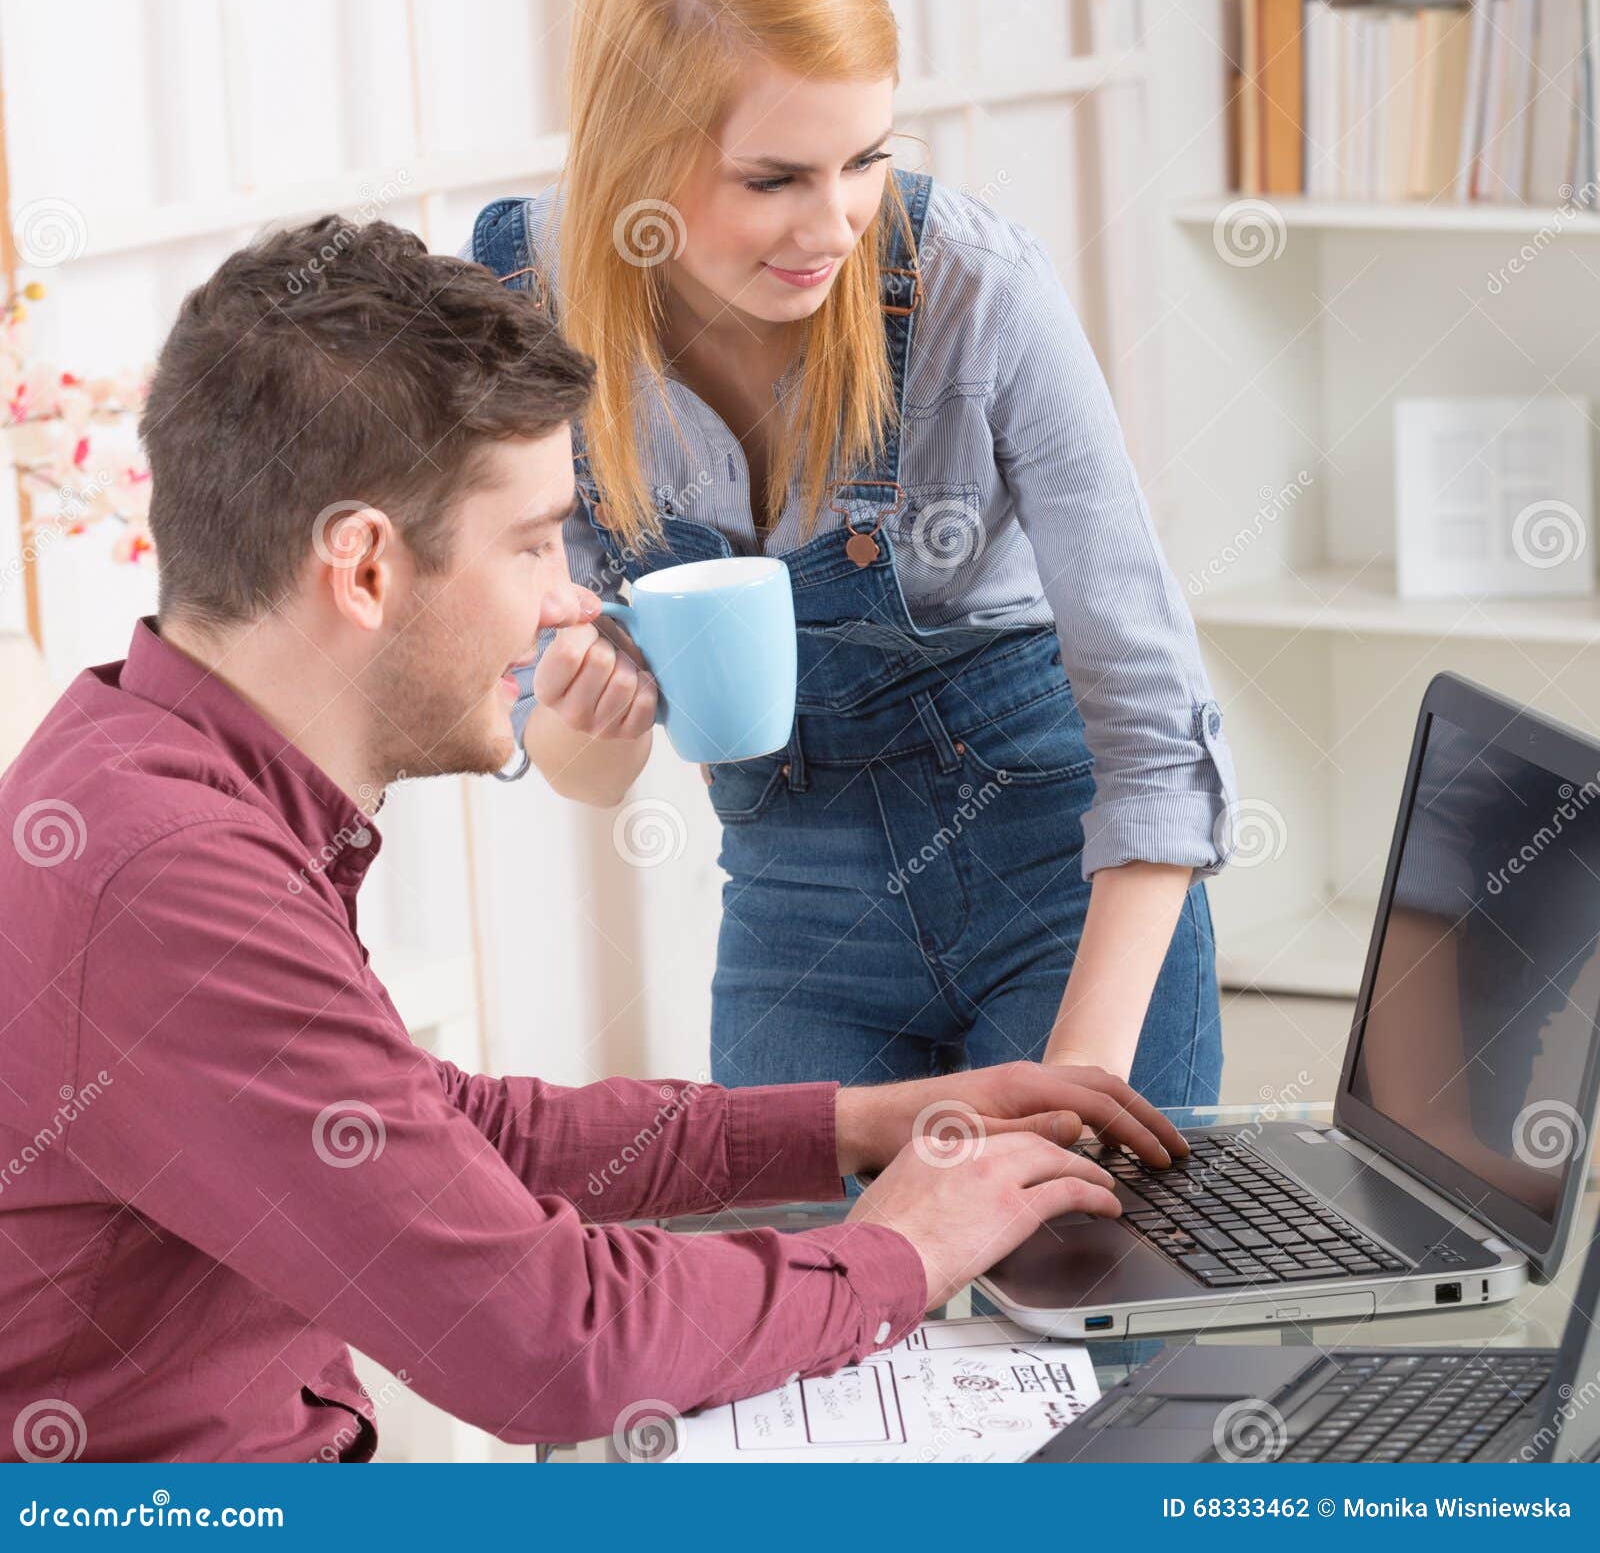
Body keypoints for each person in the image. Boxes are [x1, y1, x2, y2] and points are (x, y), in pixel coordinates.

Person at [0, 217, 1190, 1462]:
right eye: (528, 544)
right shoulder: (170, 883)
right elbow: (554, 1342)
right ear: (360, 570)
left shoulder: (154, 778)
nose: (569, 598)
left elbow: (437, 1129)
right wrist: (899, 1247)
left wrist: (855, 1121)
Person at [465, 0, 1240, 1113]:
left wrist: (1079, 1074)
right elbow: (570, 762)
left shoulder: (968, 284)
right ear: (633, 165)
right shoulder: (523, 301)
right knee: (816, 1305)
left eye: (866, 158)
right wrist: (583, 715)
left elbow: (1155, 719)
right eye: (772, 179)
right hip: (797, 903)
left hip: (1058, 871)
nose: (831, 227)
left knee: (1082, 1302)